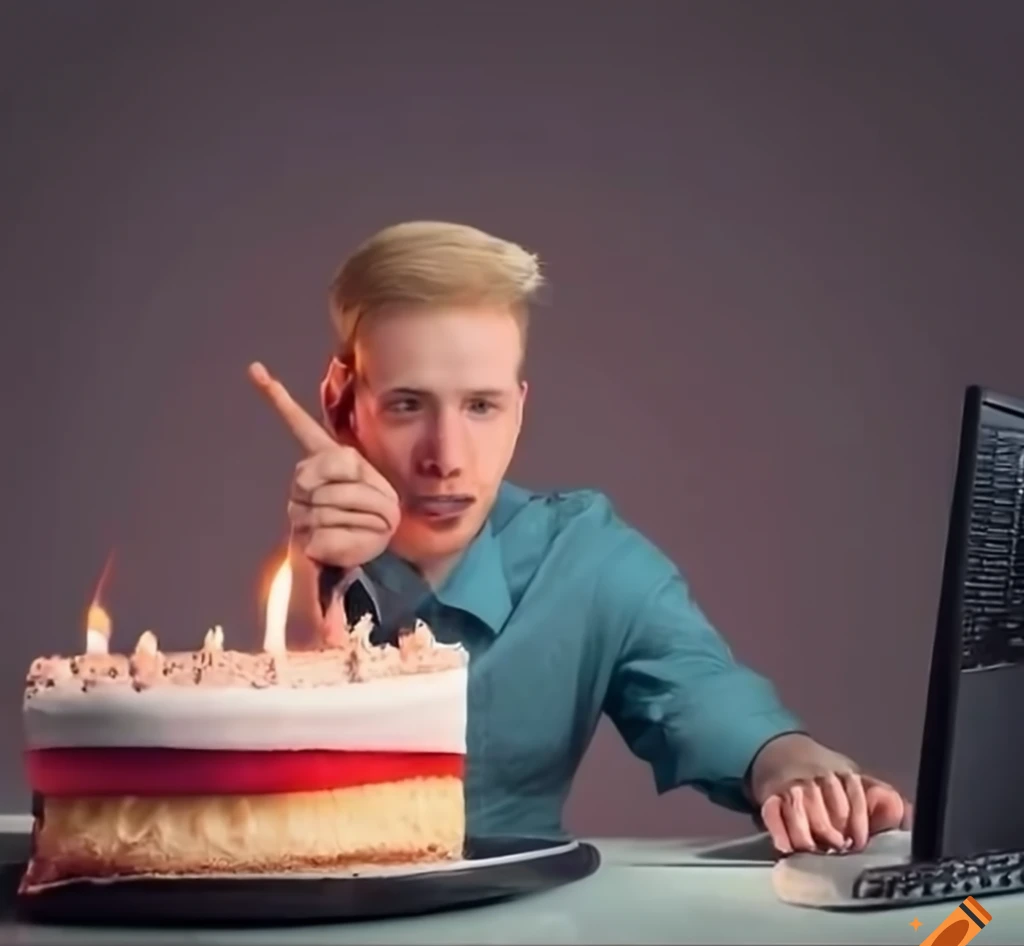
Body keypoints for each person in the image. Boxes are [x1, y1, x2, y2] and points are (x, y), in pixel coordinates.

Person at [249, 220, 910, 855]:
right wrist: (324, 583)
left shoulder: (584, 559)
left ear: (519, 408)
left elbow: (698, 688)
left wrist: (791, 764)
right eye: (406, 404)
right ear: (341, 401)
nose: (446, 456)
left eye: (481, 406)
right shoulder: (309, 553)